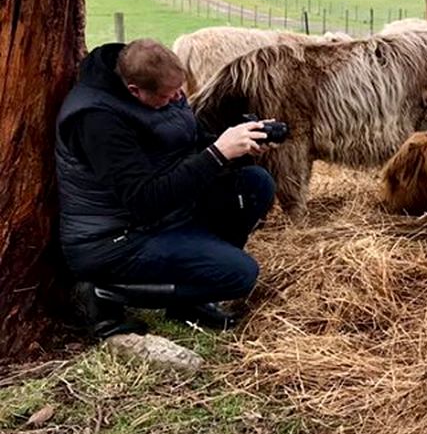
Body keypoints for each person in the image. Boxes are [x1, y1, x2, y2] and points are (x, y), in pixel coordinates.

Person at [54, 38, 277, 337]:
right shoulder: (96, 119)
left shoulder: (157, 86)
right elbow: (143, 200)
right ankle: (105, 292)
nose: (177, 99)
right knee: (239, 275)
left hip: (167, 215)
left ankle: (188, 300)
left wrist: (241, 146)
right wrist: (218, 153)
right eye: (168, 96)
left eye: (179, 92)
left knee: (253, 184)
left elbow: (191, 143)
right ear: (135, 91)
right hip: (118, 239)